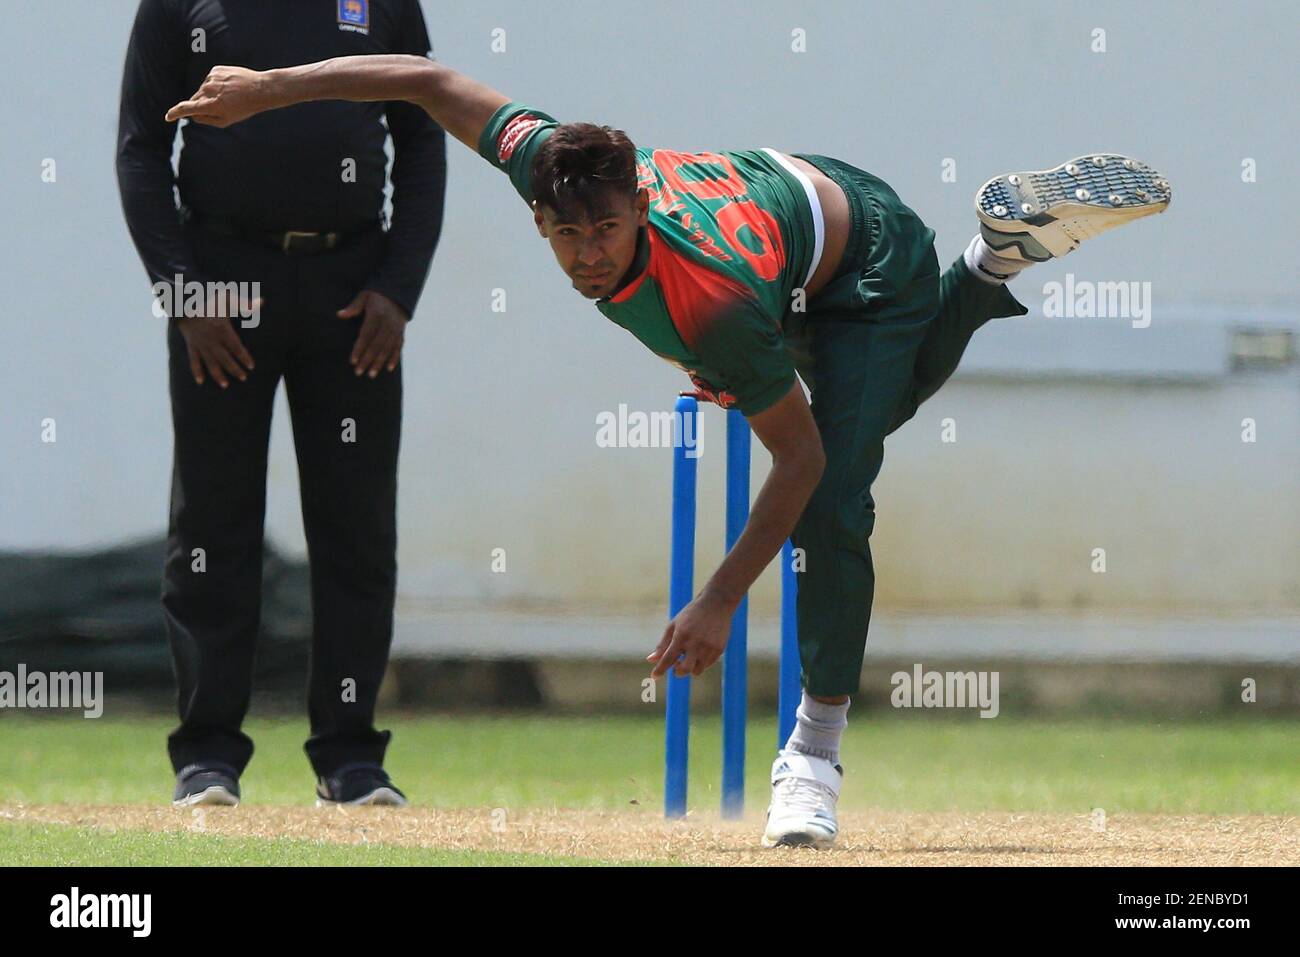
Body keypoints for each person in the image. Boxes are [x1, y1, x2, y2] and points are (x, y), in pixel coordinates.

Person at [164, 56, 1170, 842]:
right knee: (861, 421)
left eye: (602, 230)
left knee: (836, 489)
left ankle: (810, 761)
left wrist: (717, 597)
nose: (584, 252)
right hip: (788, 228)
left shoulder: (714, 305)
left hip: (863, 262)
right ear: (538, 211)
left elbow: (801, 463)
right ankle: (994, 257)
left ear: (639, 204)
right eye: (562, 235)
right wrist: (267, 93)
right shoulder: (544, 155)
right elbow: (428, 83)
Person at [117, 6, 447, 809]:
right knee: (212, 525)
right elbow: (141, 147)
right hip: (222, 279)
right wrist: (183, 291)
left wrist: (399, 289)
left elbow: (423, 134)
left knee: (356, 525)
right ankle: (207, 754)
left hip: (352, 285)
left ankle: (350, 755)